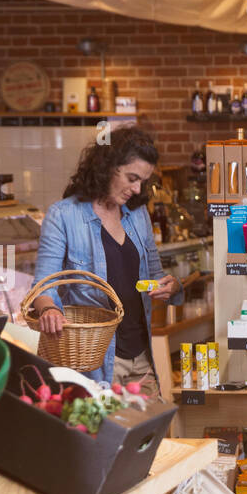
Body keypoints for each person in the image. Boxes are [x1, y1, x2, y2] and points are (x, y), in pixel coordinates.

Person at [32, 125, 180, 387]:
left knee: (153, 426)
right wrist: (50, 310)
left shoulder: (138, 214)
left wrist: (172, 286)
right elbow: (44, 285)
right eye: (132, 178)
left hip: (142, 358)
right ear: (108, 166)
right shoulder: (63, 215)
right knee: (107, 429)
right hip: (97, 363)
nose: (137, 189)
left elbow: (156, 274)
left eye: (143, 182)